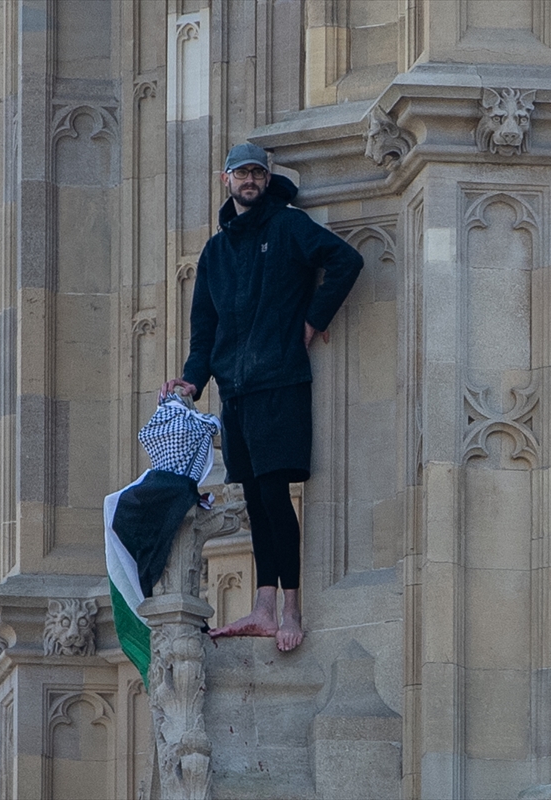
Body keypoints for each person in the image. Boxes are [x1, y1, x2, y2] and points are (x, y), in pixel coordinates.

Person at [160, 142, 363, 652]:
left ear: (267, 179)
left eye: (257, 172)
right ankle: (264, 607)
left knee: (274, 495)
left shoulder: (288, 227)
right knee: (254, 499)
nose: (249, 180)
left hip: (281, 382)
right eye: (240, 173)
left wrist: (314, 319)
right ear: (224, 180)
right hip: (237, 391)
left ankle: (291, 609)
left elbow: (345, 260)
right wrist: (191, 381)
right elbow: (203, 331)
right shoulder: (216, 252)